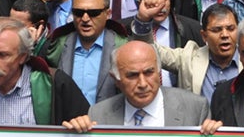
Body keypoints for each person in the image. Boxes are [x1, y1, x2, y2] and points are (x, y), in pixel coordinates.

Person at [61, 41, 210, 131]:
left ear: (159, 73)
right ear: (116, 80)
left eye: (149, 72)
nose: (143, 84)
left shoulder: (195, 108)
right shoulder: (98, 115)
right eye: (132, 75)